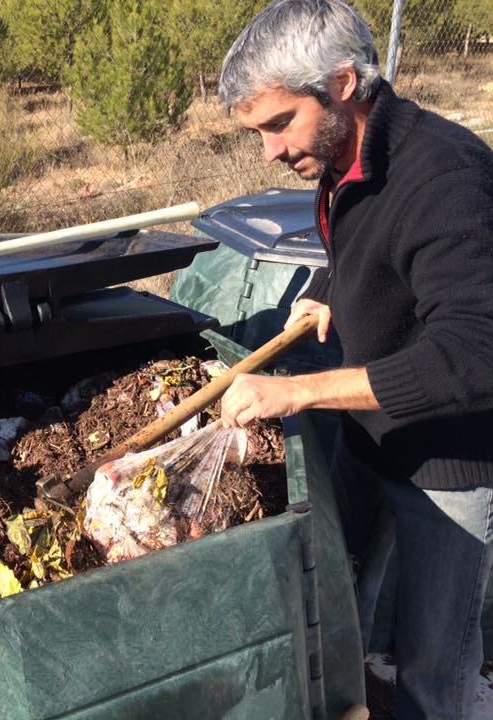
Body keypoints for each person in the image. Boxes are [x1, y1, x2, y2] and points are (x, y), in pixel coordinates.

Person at [216, 1, 493, 718]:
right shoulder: (344, 155)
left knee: (438, 675)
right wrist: (324, 288)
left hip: (450, 473)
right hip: (373, 442)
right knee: (351, 625)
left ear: (342, 83)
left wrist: (301, 394)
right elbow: (367, 248)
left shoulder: (446, 178)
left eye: (279, 124)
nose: (271, 151)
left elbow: (473, 353)